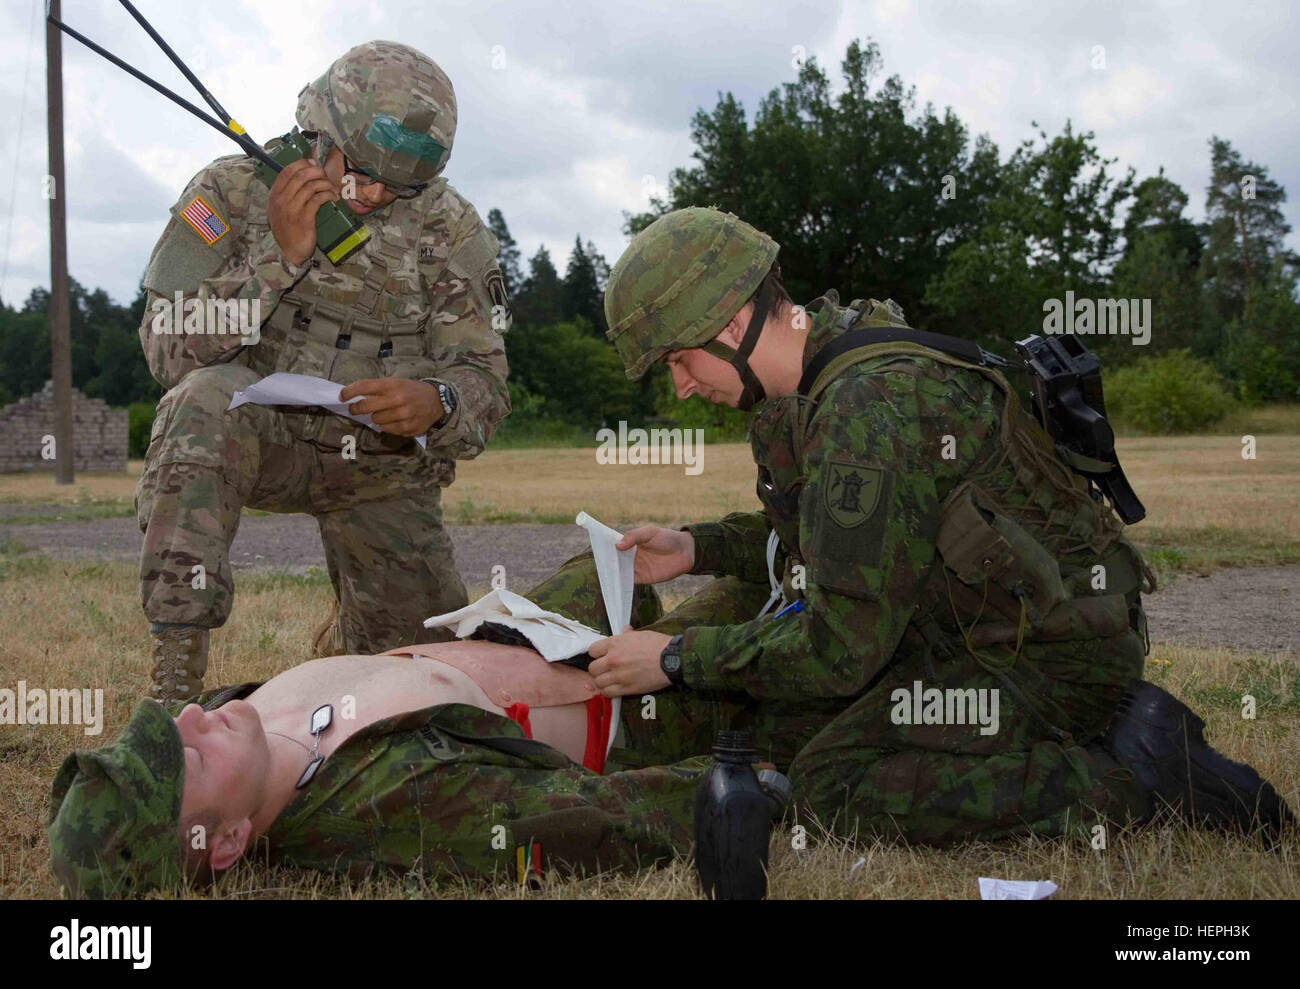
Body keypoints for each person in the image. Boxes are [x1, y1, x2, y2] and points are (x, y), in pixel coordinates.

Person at [547, 206, 1291, 843]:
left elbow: (840, 648)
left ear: (732, 323)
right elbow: (841, 537)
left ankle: (1132, 779)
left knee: (833, 785)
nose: (681, 385)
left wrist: (675, 656)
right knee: (783, 731)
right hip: (985, 631)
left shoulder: (865, 408)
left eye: (679, 360)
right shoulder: (835, 362)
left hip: (1047, 659)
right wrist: (698, 546)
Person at [135, 40, 511, 704]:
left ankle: (357, 632)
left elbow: (487, 382)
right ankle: (173, 688)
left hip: (381, 468)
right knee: (199, 403)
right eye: (359, 172)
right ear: (322, 131)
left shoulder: (450, 230)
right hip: (260, 438)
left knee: (426, 688)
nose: (371, 196)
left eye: (398, 187)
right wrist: (275, 261)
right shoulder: (230, 191)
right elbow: (164, 351)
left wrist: (438, 401)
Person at [47, 640, 710, 900]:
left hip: (545, 633)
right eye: (188, 754)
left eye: (168, 727)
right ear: (226, 841)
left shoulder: (233, 722)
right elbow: (616, 816)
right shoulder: (396, 803)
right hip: (637, 706)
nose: (193, 714)